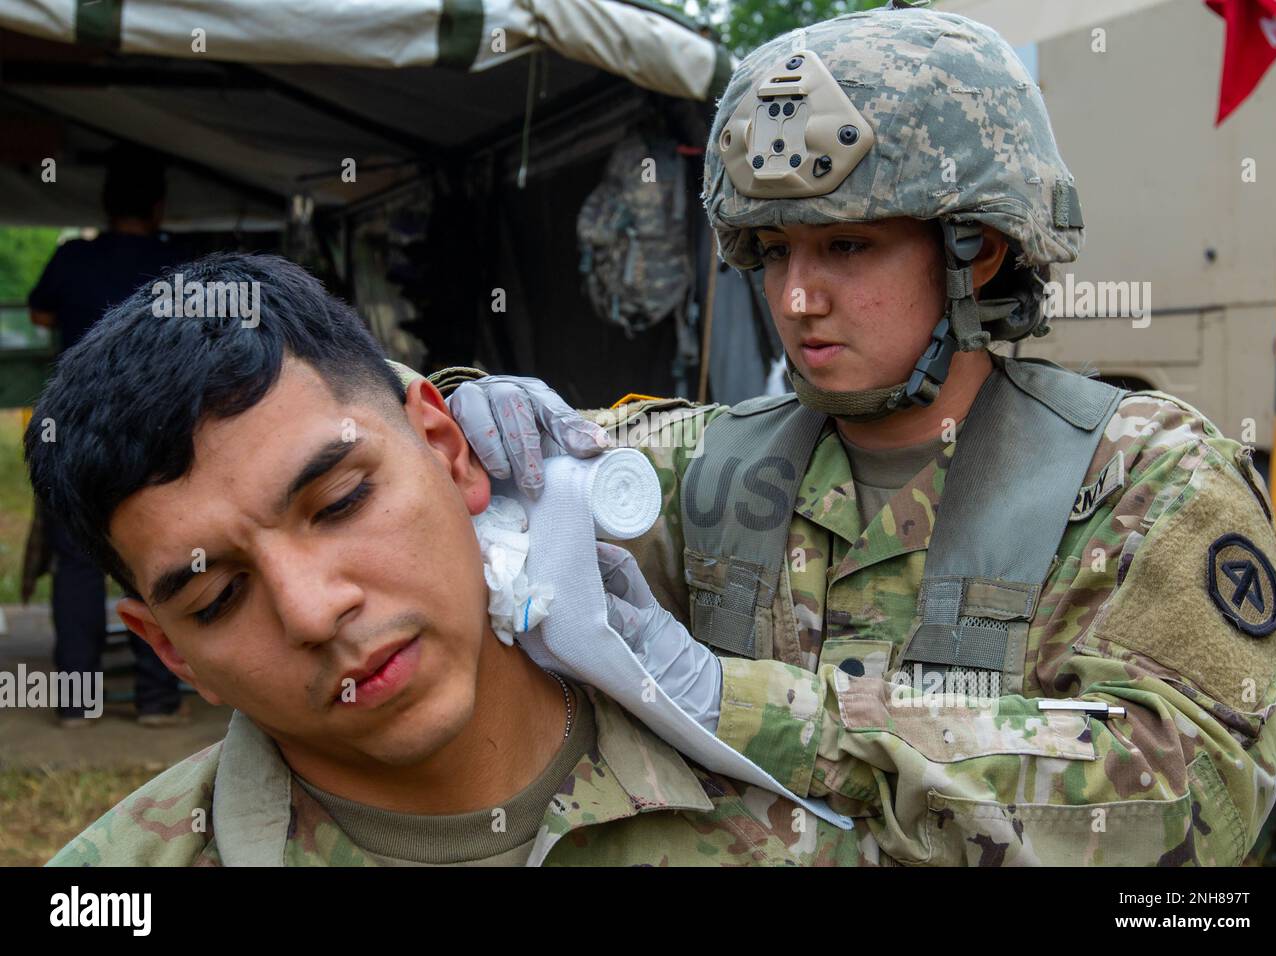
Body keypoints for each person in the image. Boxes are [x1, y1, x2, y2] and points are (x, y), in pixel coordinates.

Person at [446, 5, 1276, 865]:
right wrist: (461, 413)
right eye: (776, 251)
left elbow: (1187, 802)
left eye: (847, 246)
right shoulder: (700, 462)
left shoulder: (1144, 483)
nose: (796, 299)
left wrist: (749, 710)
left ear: (982, 251)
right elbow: (375, 455)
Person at [34, 252, 868, 867]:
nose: (312, 609)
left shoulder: (803, 806)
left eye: (339, 504)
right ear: (172, 652)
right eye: (216, 596)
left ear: (449, 448)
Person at [28, 145, 185, 727]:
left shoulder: (73, 257)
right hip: (157, 430)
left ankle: (75, 703)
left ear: (104, 202)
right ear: (159, 206)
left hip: (72, 425)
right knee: (156, 558)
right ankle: (158, 699)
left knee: (76, 565)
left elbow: (42, 315)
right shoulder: (180, 265)